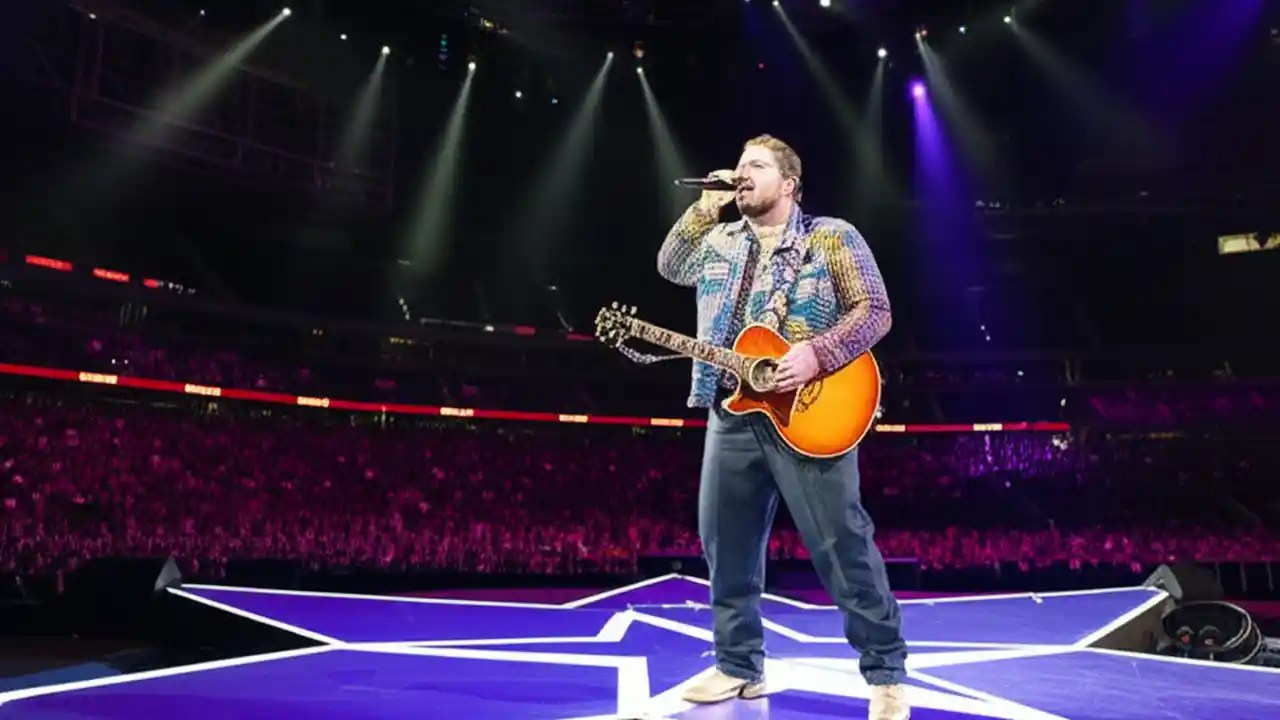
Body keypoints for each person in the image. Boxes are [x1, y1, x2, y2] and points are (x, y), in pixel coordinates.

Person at [655, 135, 909, 720]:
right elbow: (669, 265)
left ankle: (887, 671)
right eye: (739, 165)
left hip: (809, 411)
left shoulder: (831, 237)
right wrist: (705, 204)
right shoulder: (720, 240)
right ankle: (739, 666)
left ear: (789, 183)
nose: (742, 173)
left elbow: (874, 308)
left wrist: (819, 354)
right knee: (726, 544)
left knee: (841, 543)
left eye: (756, 167)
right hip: (734, 408)